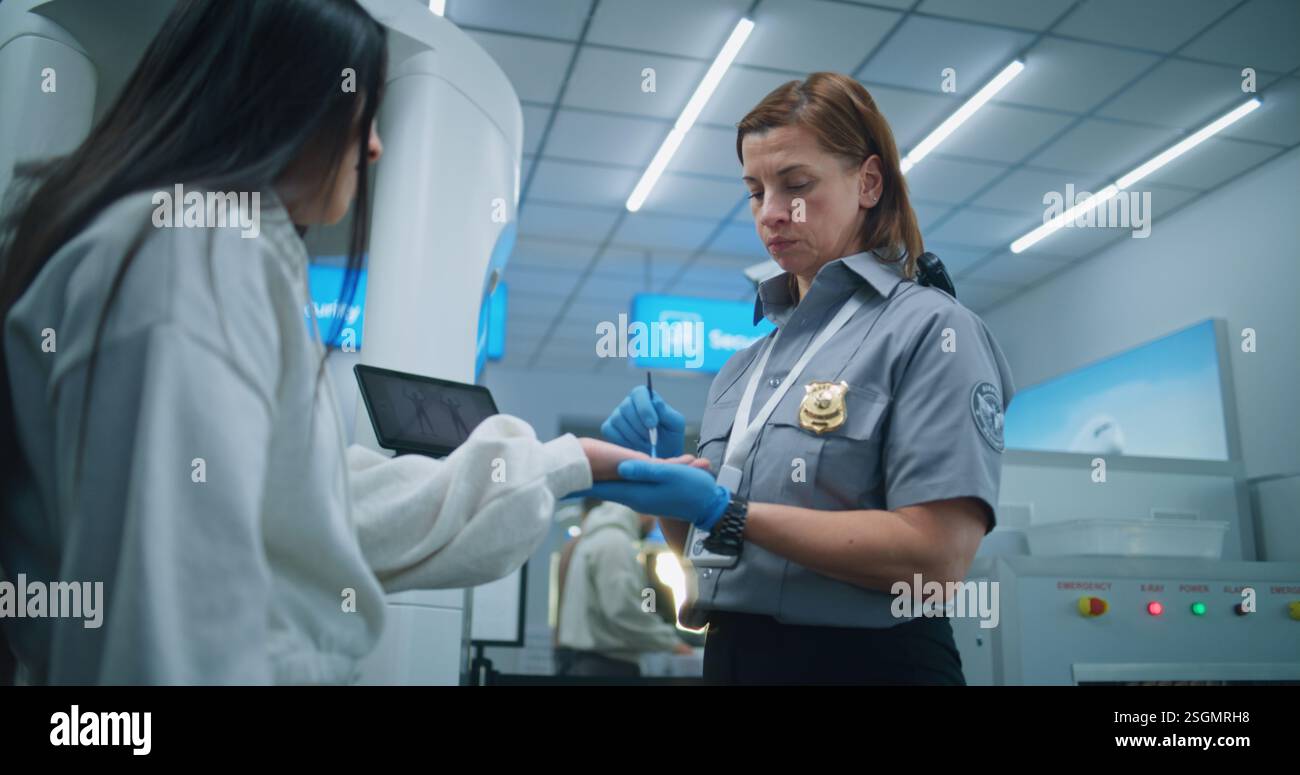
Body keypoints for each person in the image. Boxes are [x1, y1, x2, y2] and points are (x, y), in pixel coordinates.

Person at [0, 0, 702, 685]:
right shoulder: (196, 255)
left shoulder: (193, 247)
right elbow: (175, 610)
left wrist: (570, 462)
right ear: (281, 101)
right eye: (362, 110)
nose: (374, 145)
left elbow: (323, 507)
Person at [582, 73, 1016, 685]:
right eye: (755, 191)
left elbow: (937, 558)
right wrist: (667, 482)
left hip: (867, 665)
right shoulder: (744, 368)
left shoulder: (931, 330)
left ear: (868, 182)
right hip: (736, 657)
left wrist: (728, 511)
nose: (771, 213)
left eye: (798, 185)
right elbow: (714, 559)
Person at [554, 501, 692, 679]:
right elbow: (623, 611)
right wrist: (672, 644)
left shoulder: (598, 538)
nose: (654, 524)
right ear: (645, 511)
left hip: (590, 662)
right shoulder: (615, 543)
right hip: (606, 666)